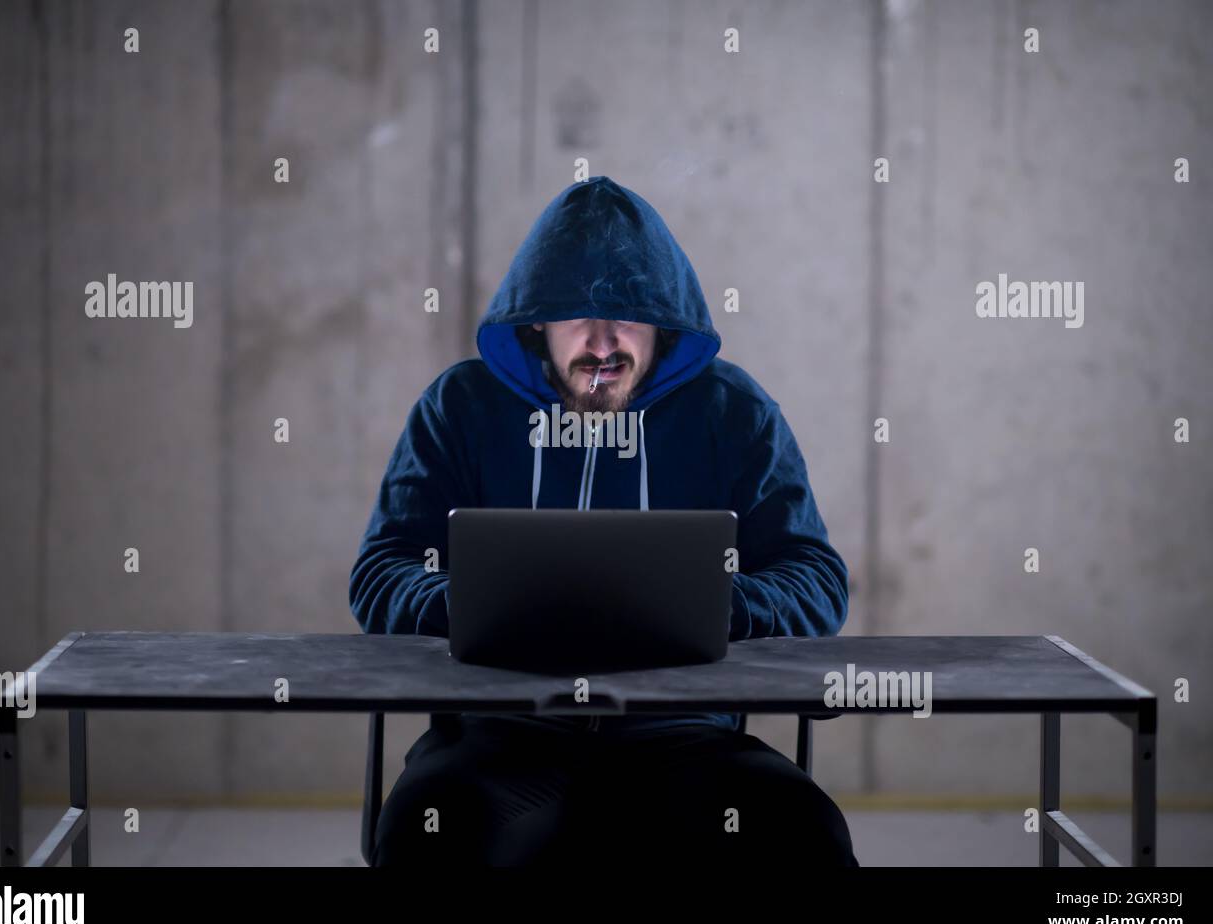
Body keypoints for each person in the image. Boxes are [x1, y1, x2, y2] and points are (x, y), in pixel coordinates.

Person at [350, 175, 857, 866]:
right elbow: (383, 567)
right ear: (535, 323)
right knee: (427, 833)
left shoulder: (732, 412)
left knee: (799, 833)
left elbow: (816, 576)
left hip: (684, 736)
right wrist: (471, 607)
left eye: (628, 315)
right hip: (499, 735)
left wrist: (714, 607)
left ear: (664, 323)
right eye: (575, 317)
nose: (601, 343)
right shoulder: (460, 407)